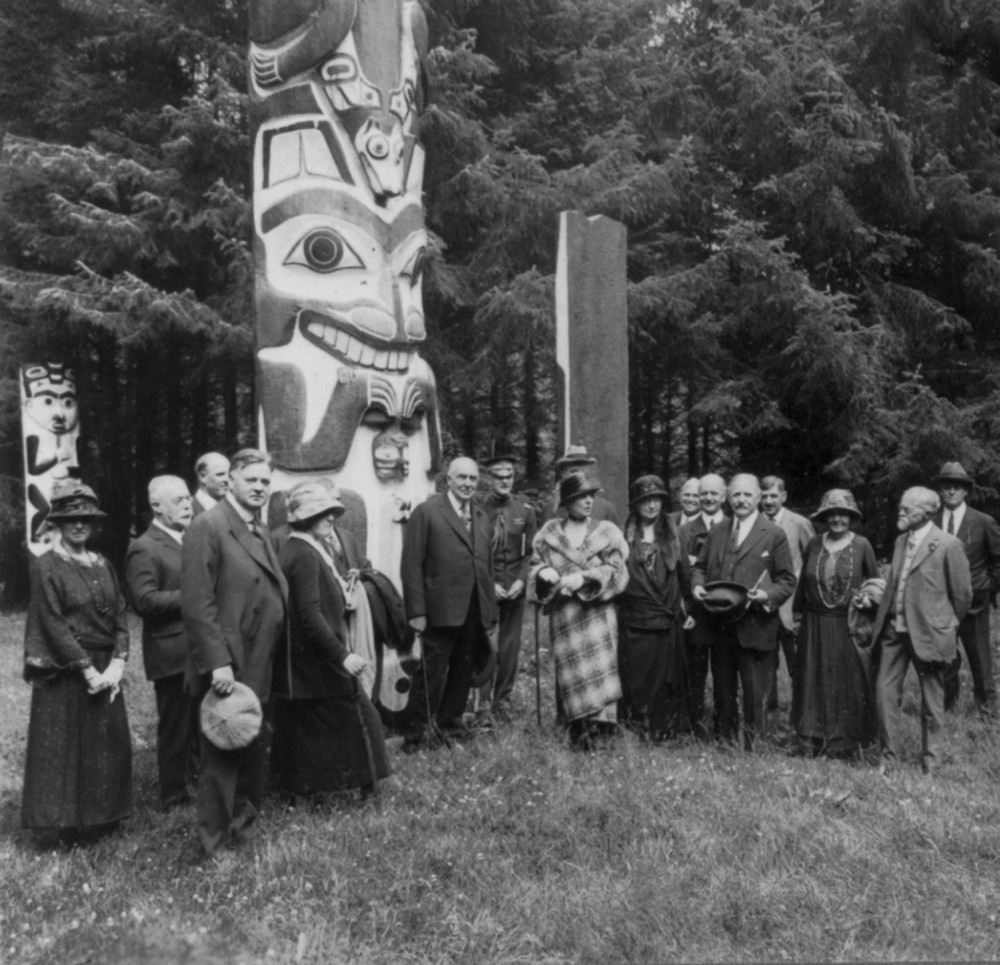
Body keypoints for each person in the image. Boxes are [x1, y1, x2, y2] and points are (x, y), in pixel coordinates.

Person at [182, 448, 288, 857]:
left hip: (261, 656)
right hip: (231, 661)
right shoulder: (208, 525)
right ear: (231, 481)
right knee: (222, 753)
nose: (259, 487)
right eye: (251, 480)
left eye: (265, 481)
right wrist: (218, 663)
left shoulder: (257, 527)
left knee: (253, 748)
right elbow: (197, 603)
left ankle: (242, 833)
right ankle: (213, 844)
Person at [21, 480, 131, 844]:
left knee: (105, 743)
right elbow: (52, 622)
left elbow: (120, 615)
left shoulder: (104, 564)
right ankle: (66, 825)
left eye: (85, 518)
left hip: (105, 664)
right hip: (66, 668)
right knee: (64, 746)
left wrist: (117, 664)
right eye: (71, 518)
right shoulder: (47, 565)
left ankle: (103, 818)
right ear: (58, 523)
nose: (79, 524)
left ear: (95, 523)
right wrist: (87, 670)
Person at [272, 479, 389, 800]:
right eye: (322, 512)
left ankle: (310, 790)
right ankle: (360, 787)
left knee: (322, 726)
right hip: (319, 659)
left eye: (332, 512)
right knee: (360, 717)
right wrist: (342, 655)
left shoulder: (307, 548)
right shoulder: (303, 554)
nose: (331, 518)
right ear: (304, 517)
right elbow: (310, 615)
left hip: (312, 659)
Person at [691, 473, 796, 748]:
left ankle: (754, 746)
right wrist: (697, 585)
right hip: (720, 624)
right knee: (723, 690)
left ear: (758, 498)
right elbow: (699, 567)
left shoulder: (773, 534)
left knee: (755, 692)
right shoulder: (717, 531)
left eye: (747, 494)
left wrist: (766, 595)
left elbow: (787, 580)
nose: (741, 500)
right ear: (728, 497)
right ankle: (724, 743)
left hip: (756, 625)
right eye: (736, 494)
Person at [399, 456, 497, 750]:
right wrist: (416, 612)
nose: (468, 483)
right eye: (462, 477)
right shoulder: (428, 512)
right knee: (430, 673)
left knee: (462, 673)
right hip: (439, 610)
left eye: (473, 478)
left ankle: (451, 728)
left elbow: (486, 567)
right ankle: (415, 735)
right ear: (449, 479)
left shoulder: (481, 516)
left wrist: (489, 610)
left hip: (473, 610)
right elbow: (411, 564)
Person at [872, 486, 972, 774]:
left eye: (907, 508)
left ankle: (931, 763)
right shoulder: (900, 541)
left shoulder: (948, 544)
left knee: (931, 700)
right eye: (901, 507)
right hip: (894, 631)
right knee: (884, 693)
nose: (900, 512)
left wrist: (943, 625)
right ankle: (888, 759)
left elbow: (962, 595)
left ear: (928, 512)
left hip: (929, 634)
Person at [531, 473, 629, 748]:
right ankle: (576, 731)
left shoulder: (607, 532)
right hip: (566, 616)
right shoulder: (549, 534)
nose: (588, 501)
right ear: (567, 501)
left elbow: (618, 572)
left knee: (600, 670)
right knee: (572, 672)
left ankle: (602, 733)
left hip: (598, 615)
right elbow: (534, 567)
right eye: (580, 497)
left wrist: (586, 579)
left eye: (591, 496)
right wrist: (543, 573)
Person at [125, 474, 197, 810]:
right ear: (157, 506)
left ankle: (198, 782)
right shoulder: (144, 546)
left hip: (198, 649)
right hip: (170, 653)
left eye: (188, 498)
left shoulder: (189, 539)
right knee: (176, 726)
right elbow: (143, 600)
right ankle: (174, 795)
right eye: (179, 500)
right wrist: (195, 596)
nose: (188, 504)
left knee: (200, 721)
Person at [790, 489, 879, 756]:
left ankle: (845, 742)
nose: (838, 519)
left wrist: (868, 601)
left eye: (844, 514)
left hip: (846, 624)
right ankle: (811, 739)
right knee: (812, 677)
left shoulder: (862, 545)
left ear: (851, 517)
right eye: (832, 514)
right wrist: (797, 617)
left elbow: (877, 584)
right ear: (824, 517)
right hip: (814, 624)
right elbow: (802, 586)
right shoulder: (814, 544)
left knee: (845, 679)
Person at [618, 475, 691, 739]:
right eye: (645, 500)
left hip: (667, 622)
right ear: (635, 505)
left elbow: (685, 576)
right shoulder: (623, 538)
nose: (651, 506)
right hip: (636, 622)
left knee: (666, 683)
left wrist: (689, 608)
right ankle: (636, 727)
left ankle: (664, 729)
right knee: (637, 676)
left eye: (657, 500)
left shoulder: (675, 534)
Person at [932, 461, 1000, 716]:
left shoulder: (983, 521)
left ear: (966, 491)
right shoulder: (931, 522)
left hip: (975, 604)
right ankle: (946, 707)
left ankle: (987, 711)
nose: (951, 491)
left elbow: (998, 559)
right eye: (946, 486)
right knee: (944, 657)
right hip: (940, 605)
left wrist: (988, 586)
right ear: (940, 490)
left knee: (980, 659)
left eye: (957, 487)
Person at [475, 454, 537, 723]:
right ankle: (481, 703)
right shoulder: (477, 509)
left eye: (509, 476)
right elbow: (475, 551)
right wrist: (490, 584)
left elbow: (531, 552)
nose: (504, 482)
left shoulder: (525, 511)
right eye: (499, 477)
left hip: (514, 589)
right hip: (487, 588)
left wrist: (522, 580)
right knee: (485, 644)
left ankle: (503, 701)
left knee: (509, 647)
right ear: (489, 479)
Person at [760, 475, 815, 710]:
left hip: (793, 608)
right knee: (766, 665)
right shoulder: (754, 523)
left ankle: (803, 714)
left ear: (784, 496)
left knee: (798, 664)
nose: (769, 501)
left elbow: (813, 561)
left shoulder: (799, 523)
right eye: (764, 496)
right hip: (763, 607)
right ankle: (768, 716)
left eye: (774, 496)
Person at [678, 472, 727, 736]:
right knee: (694, 672)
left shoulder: (734, 527)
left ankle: (724, 727)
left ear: (723, 496)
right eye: (703, 494)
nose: (708, 498)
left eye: (713, 493)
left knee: (724, 674)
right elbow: (680, 575)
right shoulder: (683, 531)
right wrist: (687, 608)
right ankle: (692, 726)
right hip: (695, 614)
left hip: (726, 615)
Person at [542, 444, 620, 525]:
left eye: (583, 471)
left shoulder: (605, 508)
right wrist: (554, 510)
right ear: (563, 474)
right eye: (574, 471)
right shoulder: (552, 508)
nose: (579, 476)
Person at [191, 452, 230, 516]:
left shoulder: (230, 509)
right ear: (202, 477)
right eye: (220, 474)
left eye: (229, 475)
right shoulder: (190, 511)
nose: (227, 479)